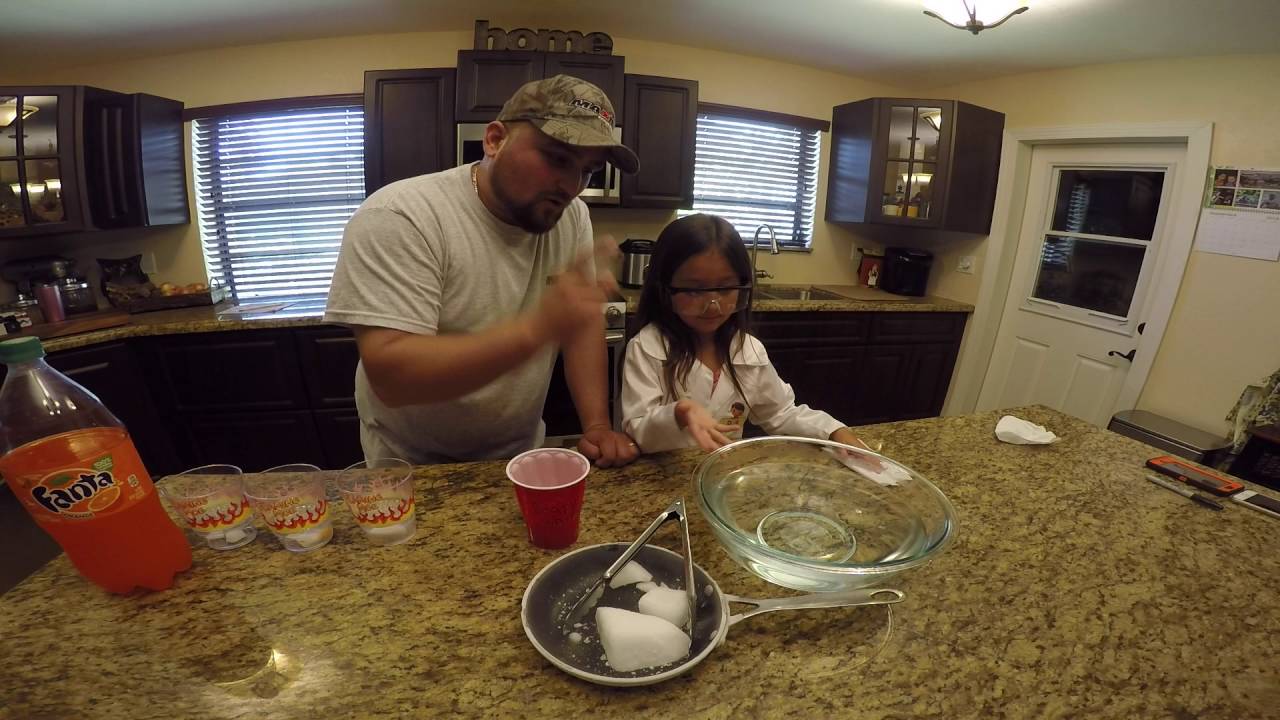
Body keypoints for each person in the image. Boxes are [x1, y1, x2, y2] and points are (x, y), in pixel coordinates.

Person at [324, 75, 640, 467]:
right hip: (410, 463)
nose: (571, 185)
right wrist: (537, 328)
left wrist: (595, 426)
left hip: (517, 451)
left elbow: (581, 327)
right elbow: (393, 376)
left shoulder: (572, 217)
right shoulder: (400, 215)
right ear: (494, 140)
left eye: (587, 170)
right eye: (557, 158)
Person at [621, 214, 870, 452]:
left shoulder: (748, 350)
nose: (713, 305)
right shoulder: (648, 347)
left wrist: (833, 431)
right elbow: (638, 430)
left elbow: (781, 413)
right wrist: (679, 413)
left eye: (726, 288)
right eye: (694, 290)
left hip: (721, 475)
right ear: (664, 290)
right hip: (663, 479)